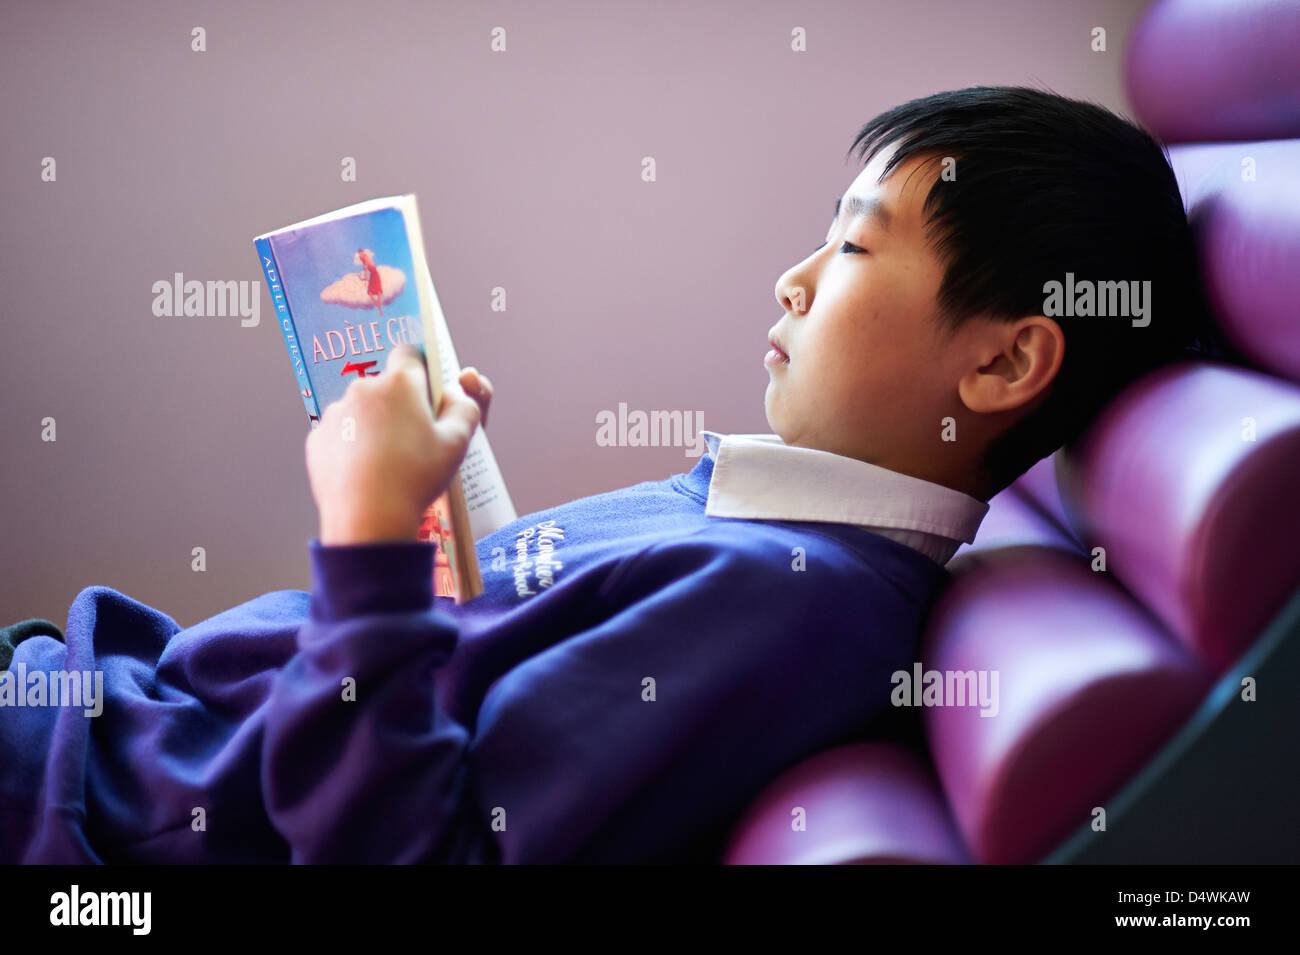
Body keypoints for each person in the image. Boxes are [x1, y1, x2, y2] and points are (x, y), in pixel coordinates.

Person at [0, 86, 1219, 864]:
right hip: (105, 706)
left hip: (87, 815)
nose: (794, 278)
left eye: (851, 245)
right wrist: (449, 508)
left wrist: (367, 532)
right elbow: (517, 675)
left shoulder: (790, 602)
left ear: (1006, 361)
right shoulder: (766, 524)